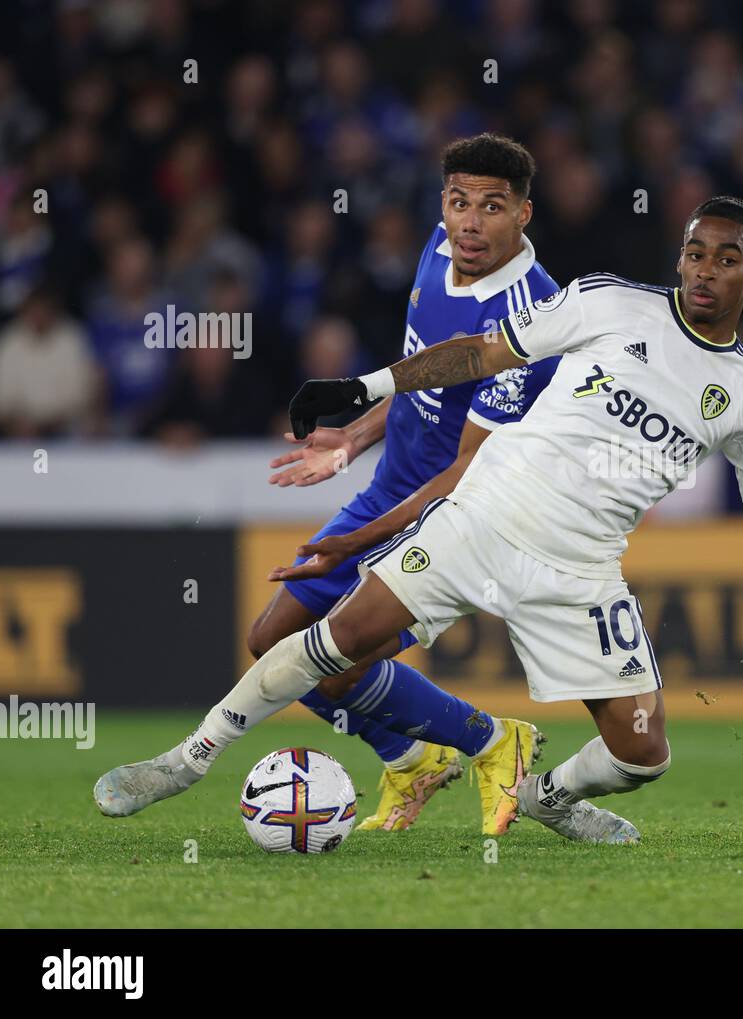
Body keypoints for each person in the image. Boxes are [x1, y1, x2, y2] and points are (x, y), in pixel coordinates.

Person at [94, 195, 743, 845]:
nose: (705, 271)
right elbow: (480, 354)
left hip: (582, 566)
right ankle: (185, 759)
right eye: (696, 252)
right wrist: (368, 389)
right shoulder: (604, 302)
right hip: (487, 509)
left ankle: (546, 796)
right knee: (330, 647)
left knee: (644, 753)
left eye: (727, 259)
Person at [98, 133, 561, 837]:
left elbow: (470, 468)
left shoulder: (530, 320)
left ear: (524, 214)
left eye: (491, 207)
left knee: (334, 667)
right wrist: (353, 436)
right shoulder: (439, 248)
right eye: (459, 201)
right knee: (270, 638)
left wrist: (355, 539)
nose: (470, 221)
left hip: (461, 514)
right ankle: (410, 756)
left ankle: (494, 739)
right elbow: (420, 375)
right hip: (393, 487)